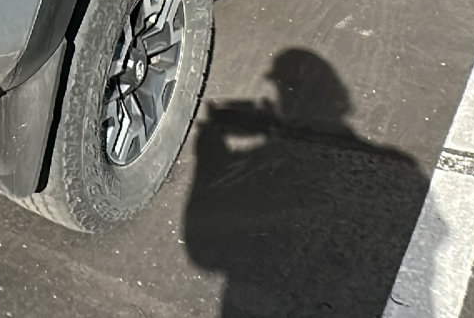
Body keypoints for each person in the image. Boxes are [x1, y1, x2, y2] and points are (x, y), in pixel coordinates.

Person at [183, 49, 438, 317]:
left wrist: (209, 144)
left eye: (285, 89)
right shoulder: (402, 168)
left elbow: (202, 253)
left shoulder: (269, 166)